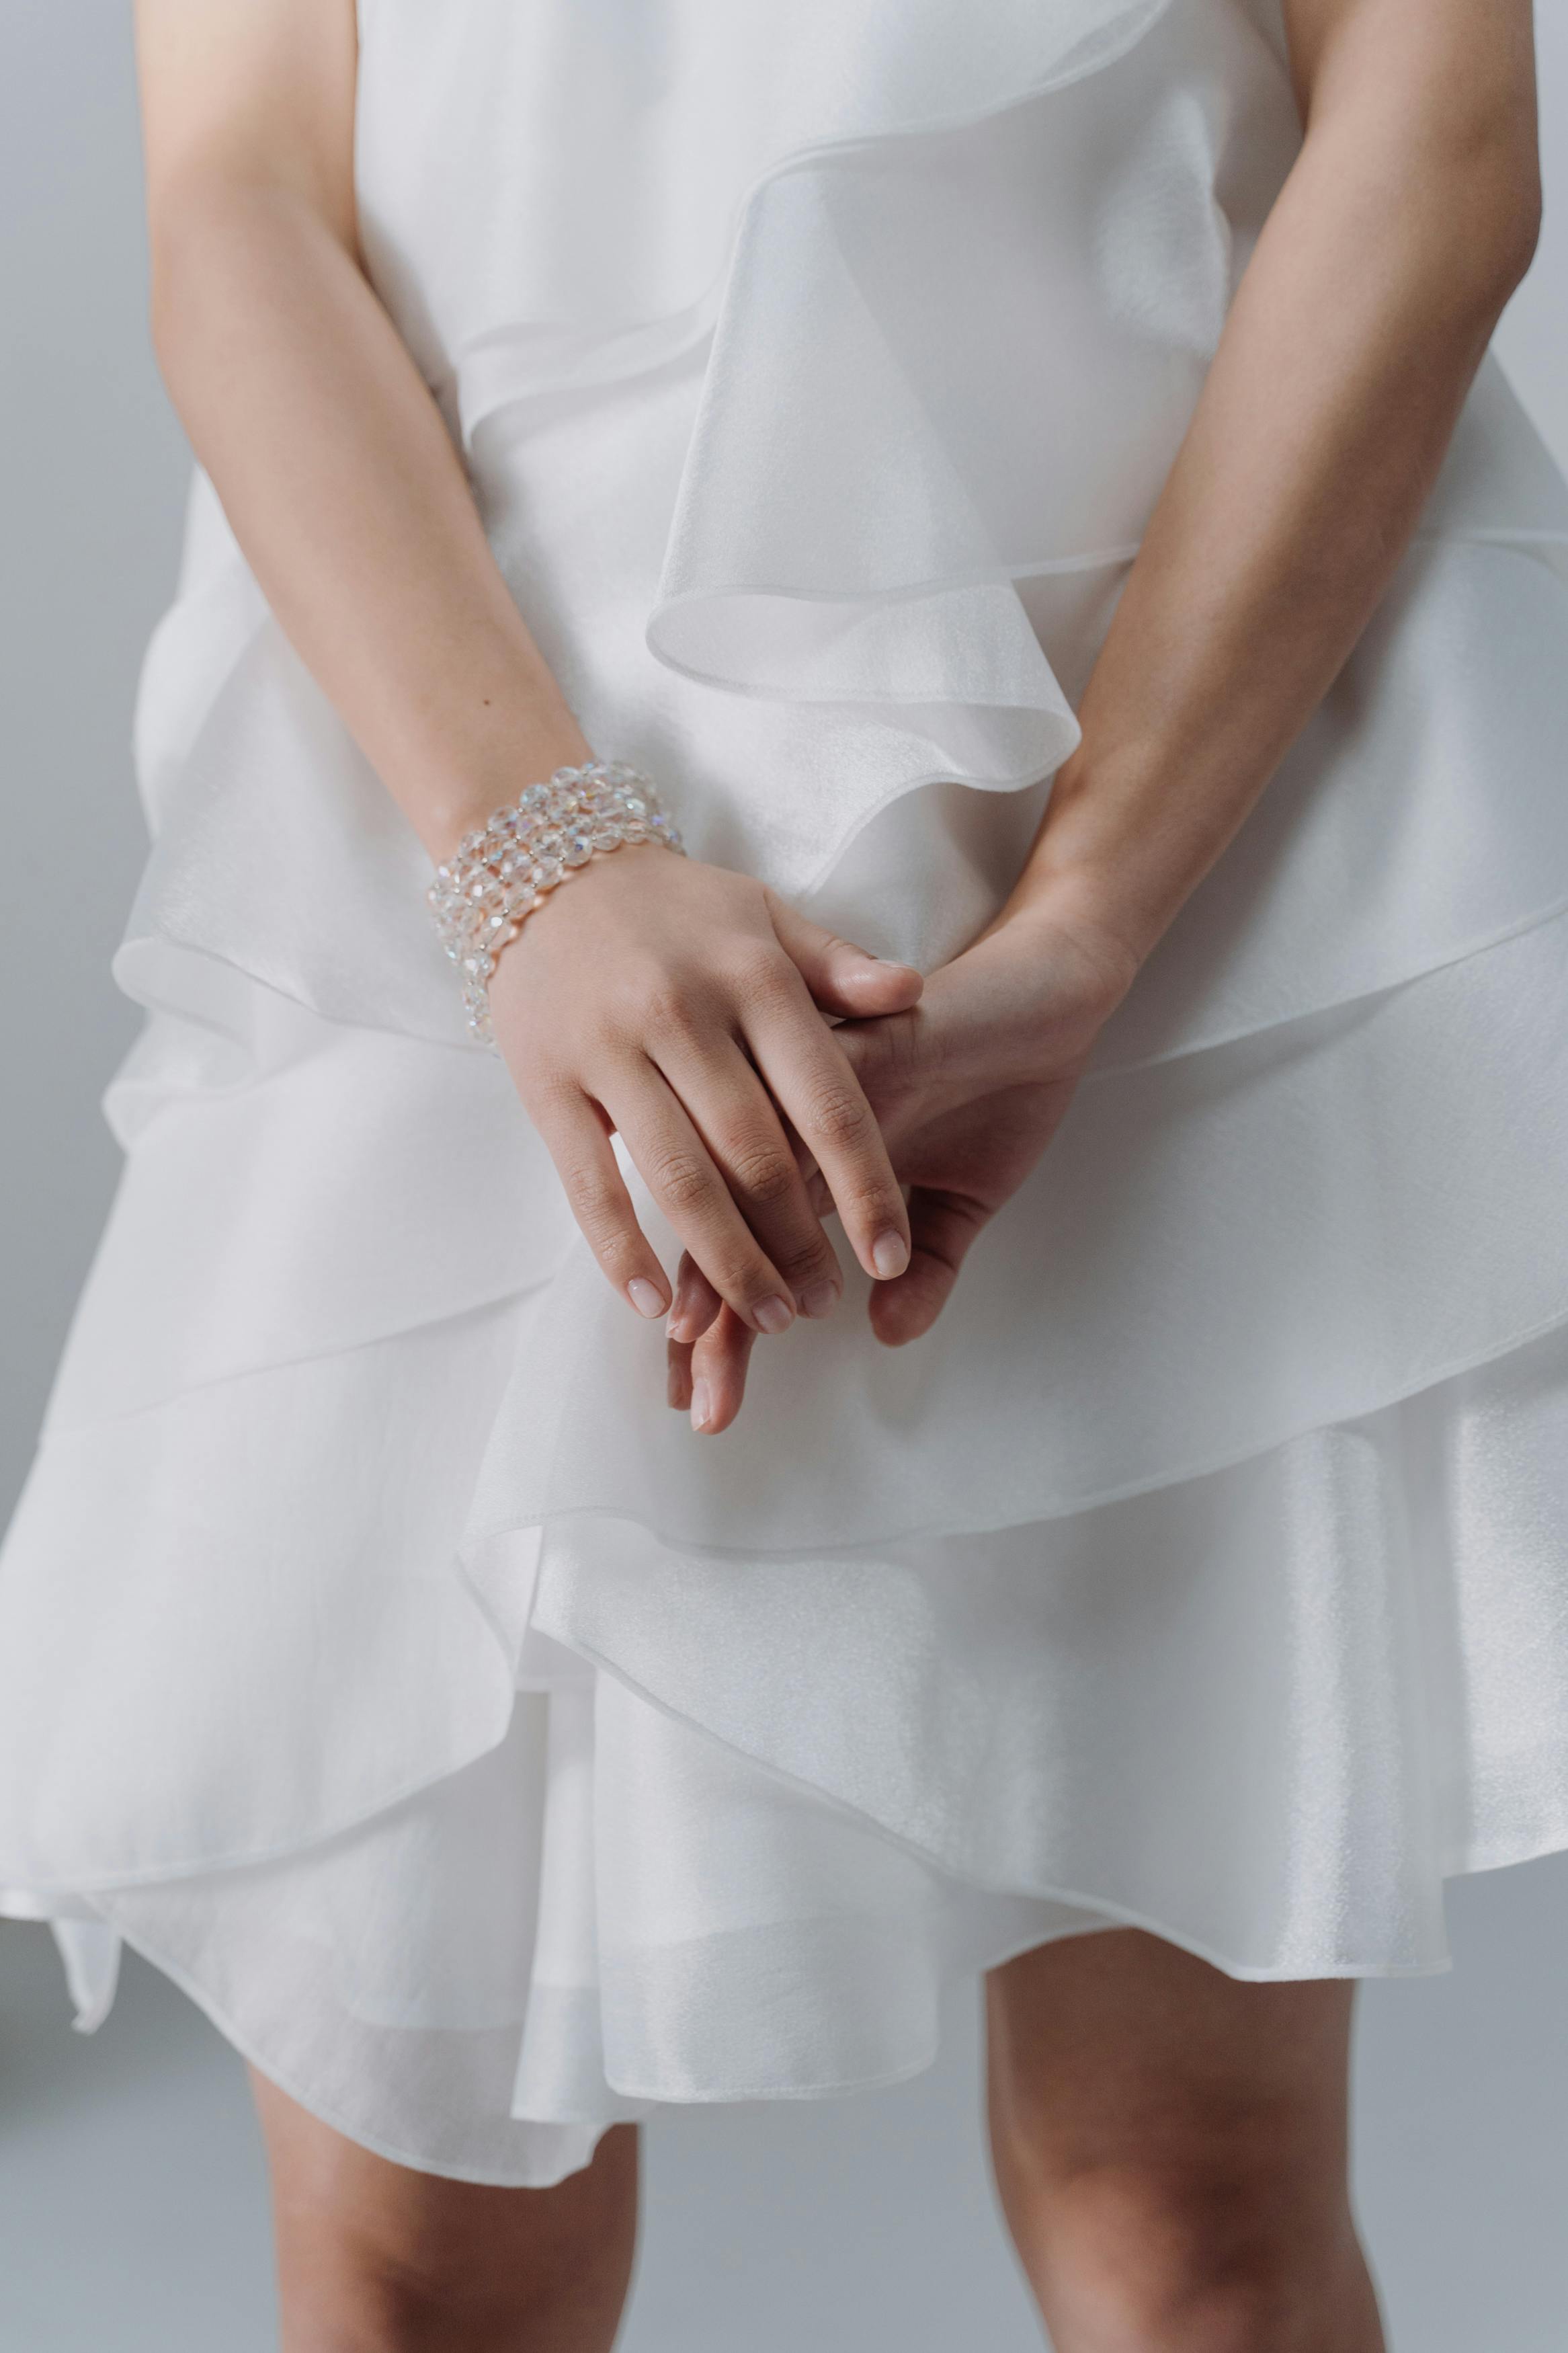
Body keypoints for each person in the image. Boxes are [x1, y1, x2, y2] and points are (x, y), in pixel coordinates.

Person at [1, 0, 1561, 2345]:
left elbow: (1438, 115)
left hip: (1161, 766)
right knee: (427, 2257)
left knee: (1195, 2216)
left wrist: (1094, 919)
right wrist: (538, 871)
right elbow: (239, 190)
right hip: (448, 781)